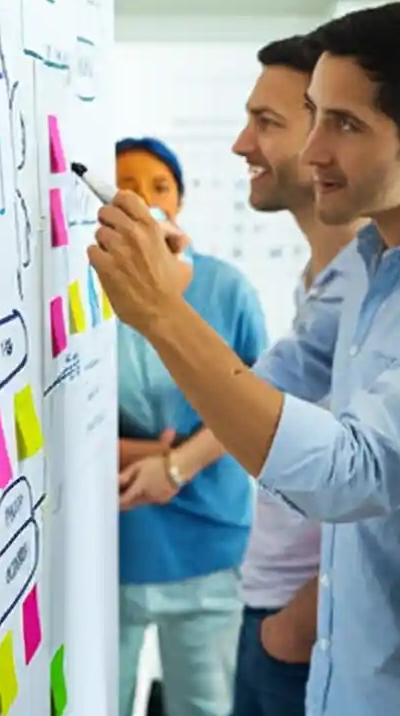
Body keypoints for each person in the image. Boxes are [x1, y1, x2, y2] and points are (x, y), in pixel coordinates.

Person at [89, 1, 400, 714]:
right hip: (339, 684)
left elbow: (348, 474)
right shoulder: (373, 262)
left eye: (345, 124)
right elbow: (267, 386)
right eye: (313, 115)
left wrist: (161, 314)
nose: (312, 150)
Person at [227, 33, 367, 716]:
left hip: (306, 635)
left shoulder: (377, 293)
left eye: (266, 123)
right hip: (275, 614)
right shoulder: (320, 280)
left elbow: (388, 494)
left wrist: (294, 627)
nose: (242, 144)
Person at [112, 136, 270, 716]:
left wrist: (176, 463)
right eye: (125, 184)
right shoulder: (82, 289)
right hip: (117, 540)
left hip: (208, 536)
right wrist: (146, 450)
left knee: (204, 704)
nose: (144, 198)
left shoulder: (225, 289)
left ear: (179, 200)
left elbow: (260, 399)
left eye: (159, 186)